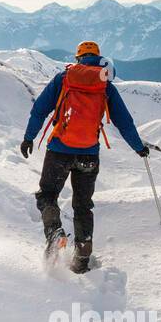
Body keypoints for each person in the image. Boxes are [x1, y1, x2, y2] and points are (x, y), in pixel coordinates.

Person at [20, 40, 149, 273]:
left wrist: (29, 137)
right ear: (98, 58)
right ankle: (81, 258)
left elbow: (39, 109)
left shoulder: (63, 79)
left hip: (59, 150)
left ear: (78, 58)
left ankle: (55, 231)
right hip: (89, 154)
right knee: (82, 206)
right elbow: (124, 122)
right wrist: (138, 147)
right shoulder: (105, 84)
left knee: (47, 195)